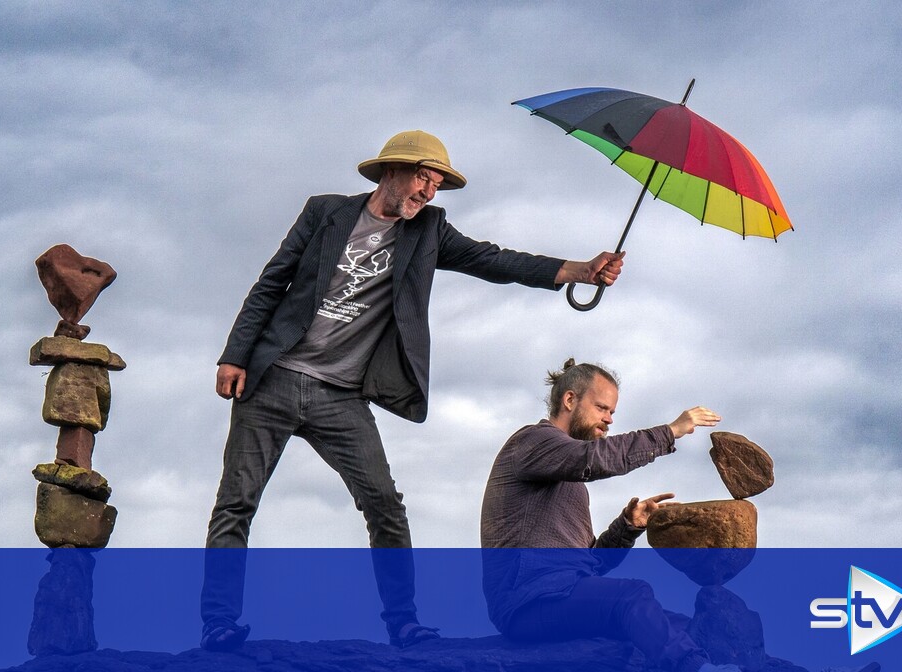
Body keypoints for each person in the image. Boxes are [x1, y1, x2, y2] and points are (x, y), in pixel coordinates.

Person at [201, 130, 626, 652]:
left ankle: (403, 622)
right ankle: (219, 623)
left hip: (341, 396)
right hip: (275, 378)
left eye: (438, 183)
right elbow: (273, 281)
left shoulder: (429, 231)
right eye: (424, 177)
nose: (429, 190)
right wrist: (234, 354)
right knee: (237, 502)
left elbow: (496, 260)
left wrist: (580, 270)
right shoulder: (325, 212)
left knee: (385, 504)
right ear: (391, 171)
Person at [480, 359, 738, 672]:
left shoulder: (568, 479)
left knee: (679, 625)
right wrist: (670, 432)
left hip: (561, 595)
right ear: (570, 400)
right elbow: (595, 458)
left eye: (612, 412)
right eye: (602, 408)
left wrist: (628, 527)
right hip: (526, 602)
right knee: (632, 596)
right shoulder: (532, 441)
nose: (609, 420)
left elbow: (593, 564)